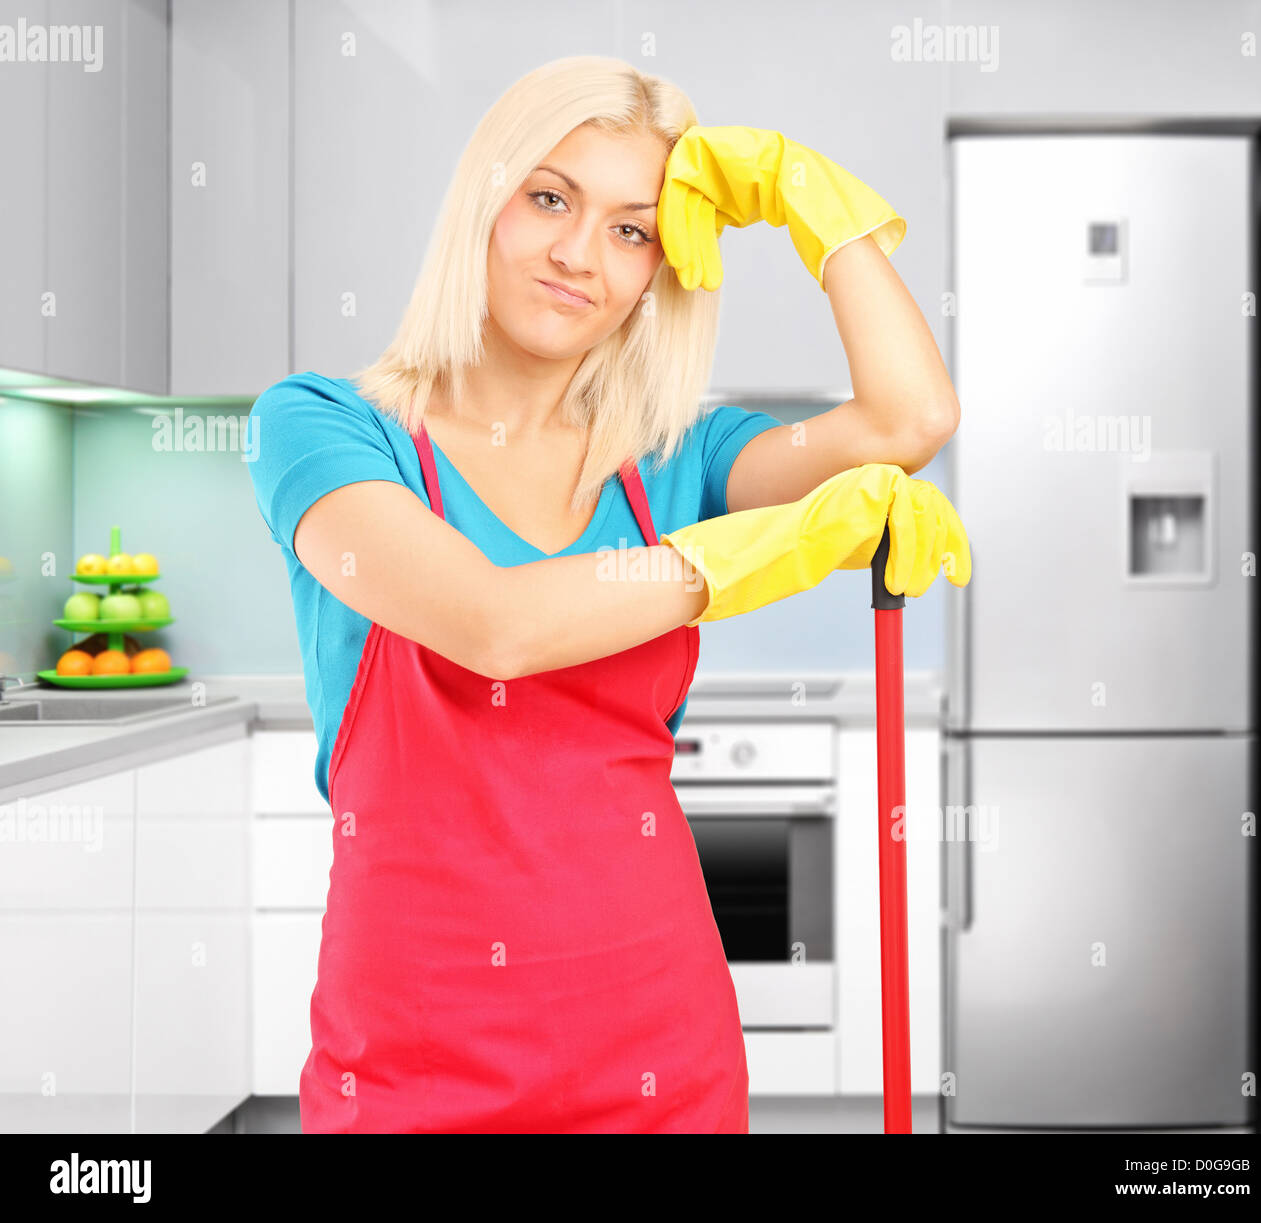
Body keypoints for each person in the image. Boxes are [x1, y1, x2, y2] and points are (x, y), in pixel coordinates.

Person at [246, 54, 969, 1134]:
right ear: (483, 202)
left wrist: (812, 203)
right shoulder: (325, 425)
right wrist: (742, 556)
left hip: (657, 1047)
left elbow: (909, 421)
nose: (581, 253)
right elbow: (494, 624)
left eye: (634, 228)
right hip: (413, 1053)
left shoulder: (677, 457)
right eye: (549, 197)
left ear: (660, 269)